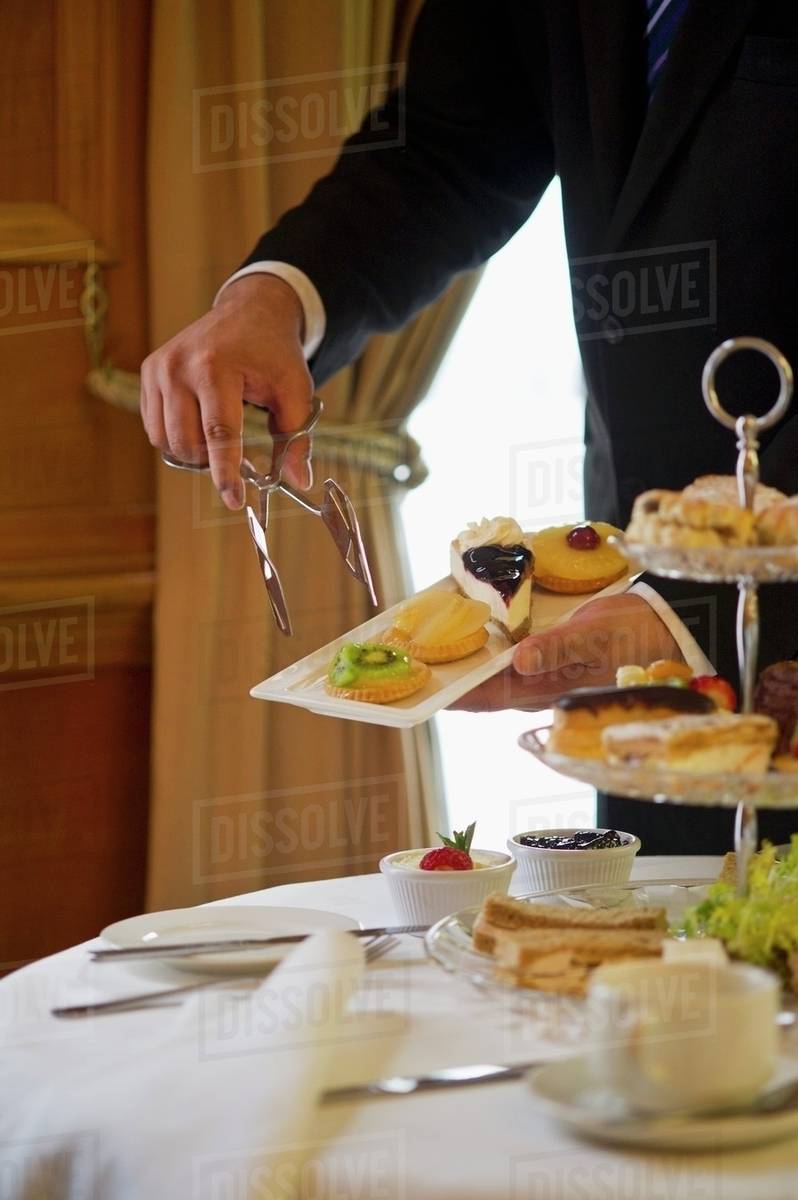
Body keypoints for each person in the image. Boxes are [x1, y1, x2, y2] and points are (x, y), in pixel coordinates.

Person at [139, 0, 798, 853]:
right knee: (669, 976)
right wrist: (274, 298)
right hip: (635, 633)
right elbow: (449, 147)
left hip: (727, 617)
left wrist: (694, 616)